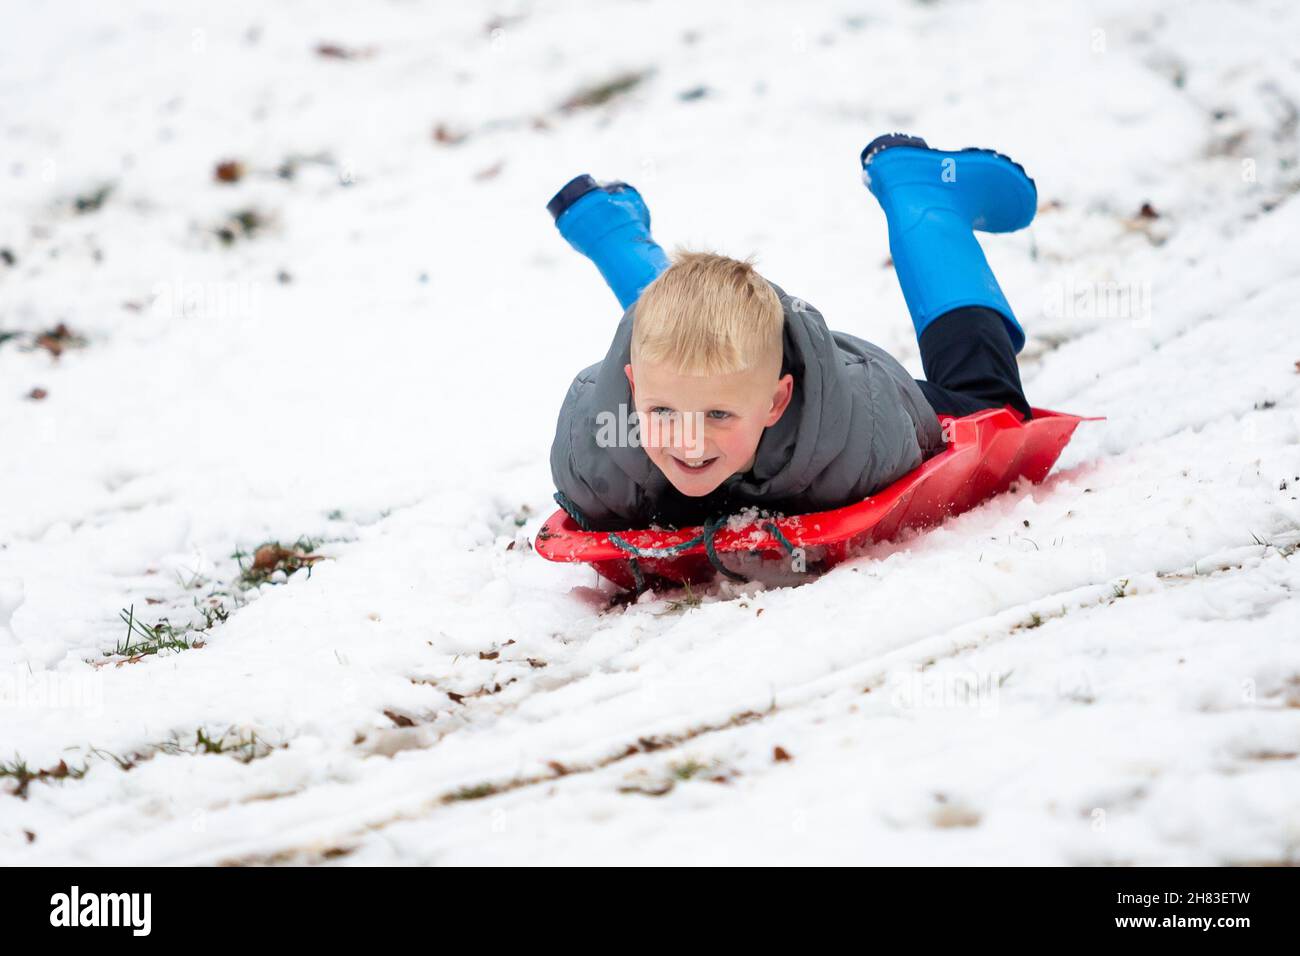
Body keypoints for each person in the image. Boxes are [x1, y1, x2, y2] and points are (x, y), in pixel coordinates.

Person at [548, 133, 1035, 532]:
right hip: (710, 370)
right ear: (632, 390)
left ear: (777, 401)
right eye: (662, 412)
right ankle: (610, 230)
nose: (689, 441)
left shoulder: (857, 450)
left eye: (718, 414)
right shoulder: (594, 462)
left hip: (845, 402)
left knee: (1003, 415)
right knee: (675, 337)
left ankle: (925, 199)